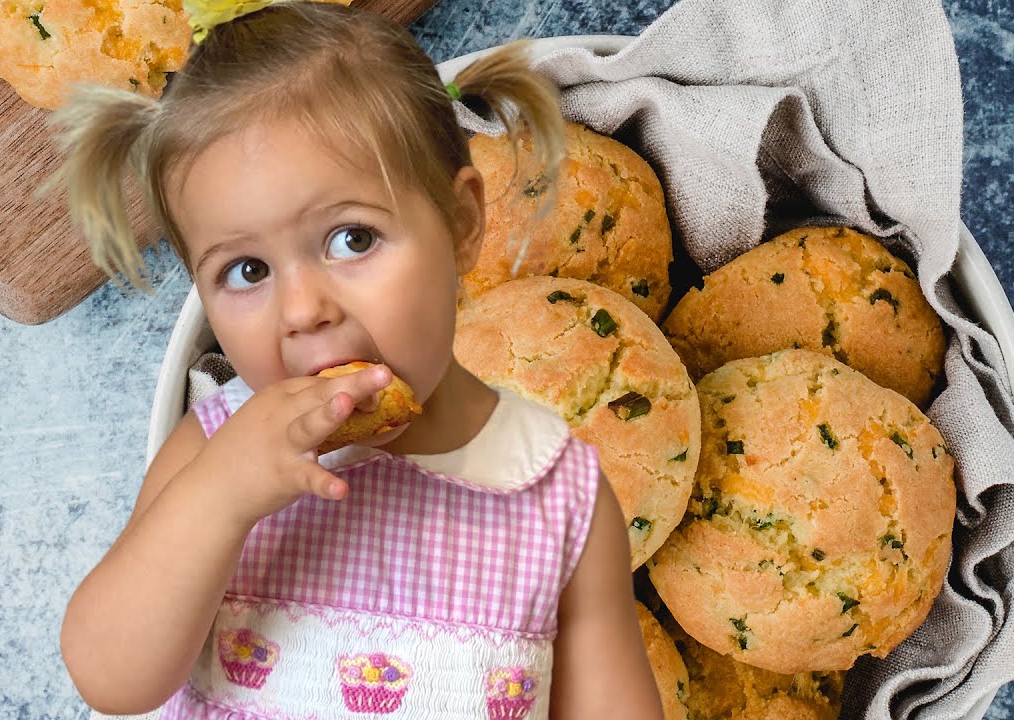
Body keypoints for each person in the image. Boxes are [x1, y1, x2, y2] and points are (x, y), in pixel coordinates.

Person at [53, 1, 662, 717]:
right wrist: (221, 497)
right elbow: (110, 677)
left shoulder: (560, 500)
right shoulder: (214, 452)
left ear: (462, 224)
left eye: (351, 239)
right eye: (247, 271)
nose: (303, 308)